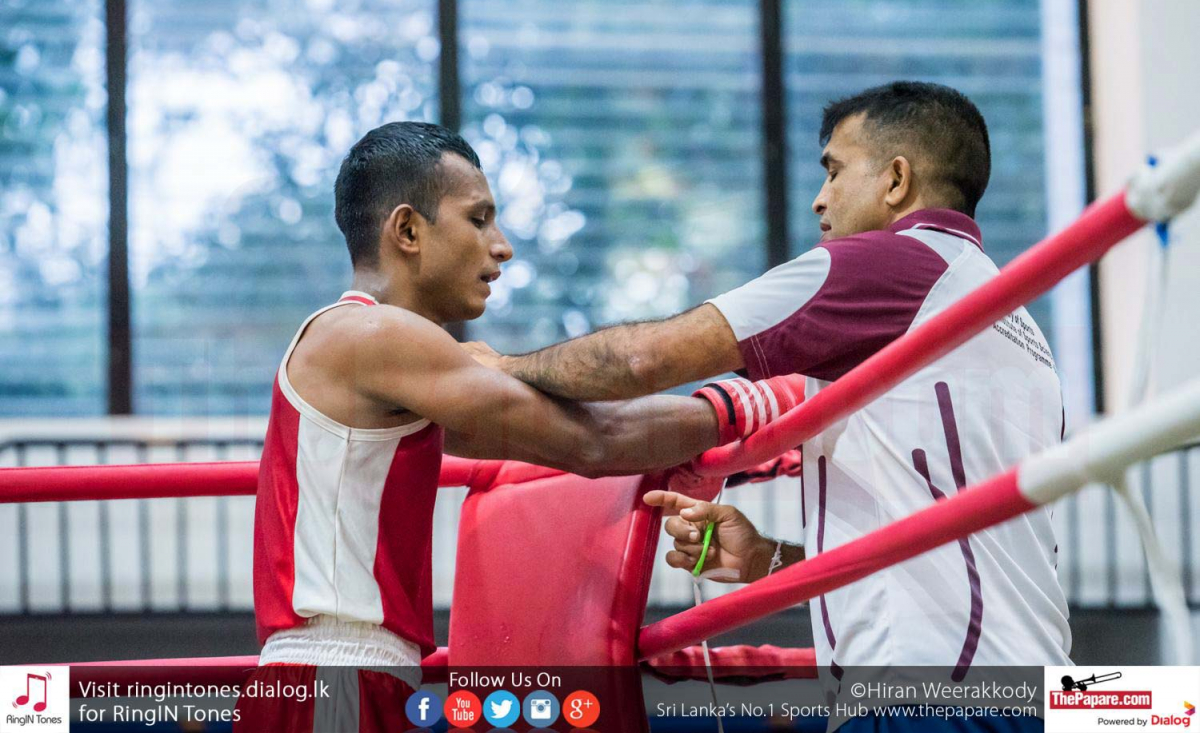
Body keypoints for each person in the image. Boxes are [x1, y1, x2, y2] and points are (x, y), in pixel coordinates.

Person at [468, 82, 1071, 727]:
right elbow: (936, 547)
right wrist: (768, 558)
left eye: (834, 171)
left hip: (934, 694)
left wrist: (500, 369)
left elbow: (644, 361)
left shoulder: (890, 267)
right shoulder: (1015, 322)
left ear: (896, 180)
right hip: (1042, 693)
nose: (819, 198)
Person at [232, 121, 804, 733]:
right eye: (478, 219)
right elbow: (596, 441)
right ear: (407, 230)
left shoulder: (384, 358)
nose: (501, 246)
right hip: (332, 680)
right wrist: (762, 401)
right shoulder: (372, 335)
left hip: (352, 680)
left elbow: (572, 434)